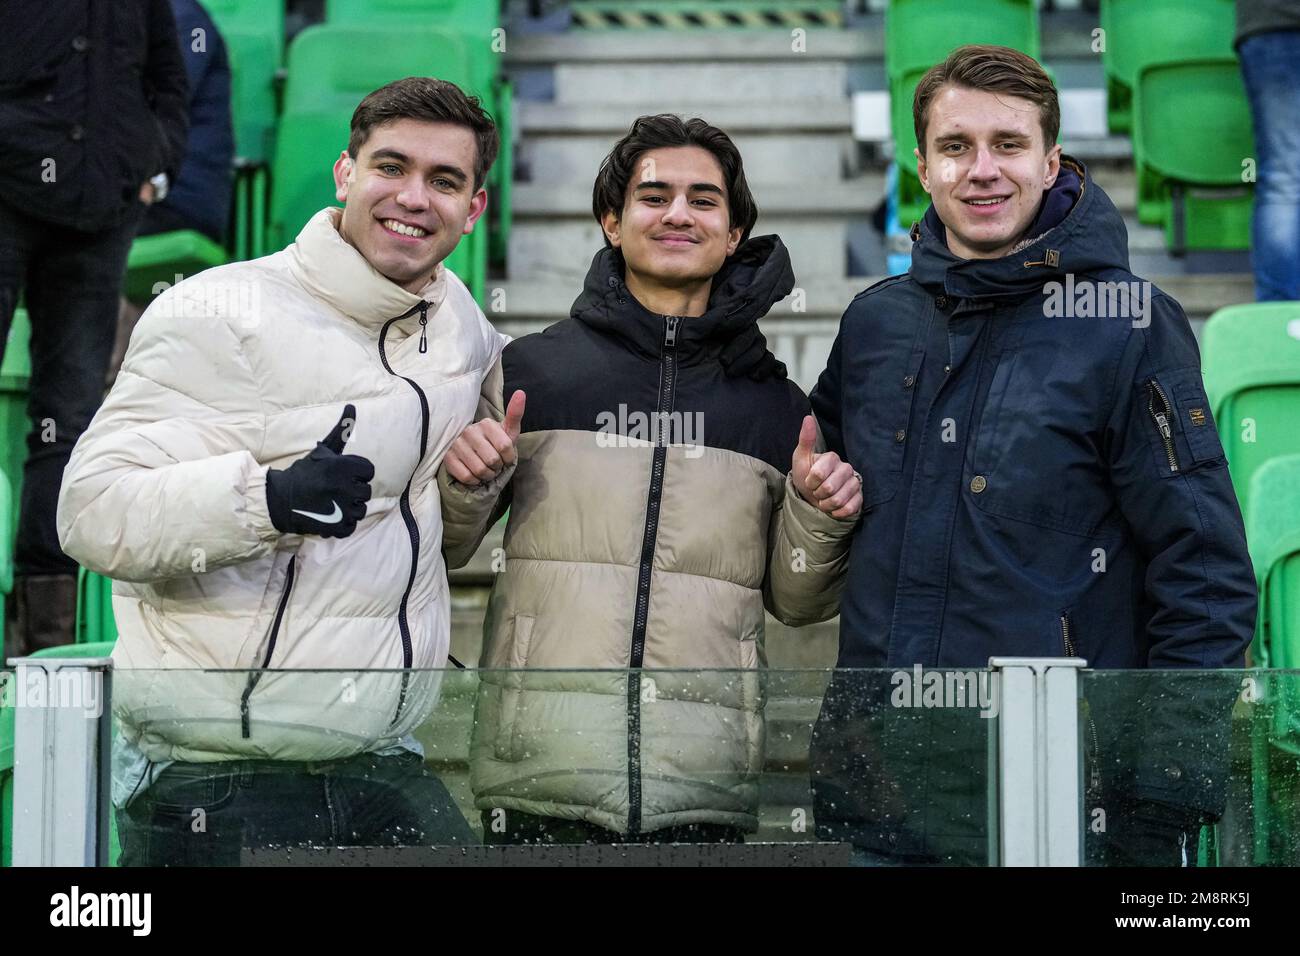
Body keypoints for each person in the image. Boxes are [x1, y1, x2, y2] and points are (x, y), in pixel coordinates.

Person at [808, 45, 1257, 865]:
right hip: (881, 794)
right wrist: (811, 505)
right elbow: (819, 530)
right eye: (956, 147)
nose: (983, 170)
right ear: (922, 166)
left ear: (1051, 162)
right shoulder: (874, 325)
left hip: (1061, 797)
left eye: (1008, 145)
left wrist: (1162, 789)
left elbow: (1205, 572)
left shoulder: (1129, 323)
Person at [57, 77, 504, 865]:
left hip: (384, 761)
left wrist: (473, 489)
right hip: (222, 779)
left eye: (444, 181)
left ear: (474, 211)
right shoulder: (219, 313)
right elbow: (90, 513)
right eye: (390, 167)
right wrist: (266, 498)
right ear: (345, 173)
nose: (412, 197)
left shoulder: (463, 327)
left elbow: (425, 531)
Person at [437, 115, 862, 846]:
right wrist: (466, 485)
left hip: (704, 783)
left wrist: (818, 517)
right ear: (612, 221)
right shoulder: (530, 373)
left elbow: (800, 603)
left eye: (703, 199)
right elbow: (443, 549)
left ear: (733, 234)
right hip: (538, 775)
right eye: (653, 195)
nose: (676, 213)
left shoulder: (775, 407)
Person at [0, 0, 188, 656]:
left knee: (69, 420)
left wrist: (148, 162)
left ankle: (41, 639)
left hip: (100, 208)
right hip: (9, 194)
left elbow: (169, 80)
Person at [109, 0, 237, 389]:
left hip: (174, 197)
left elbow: (140, 110)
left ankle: (106, 389)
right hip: (127, 191)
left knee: (77, 244)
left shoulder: (180, 17)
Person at [1237, 0, 1300, 301]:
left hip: (1270, 24)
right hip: (1270, 24)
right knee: (1283, 181)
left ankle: (1278, 315)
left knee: (1283, 181)